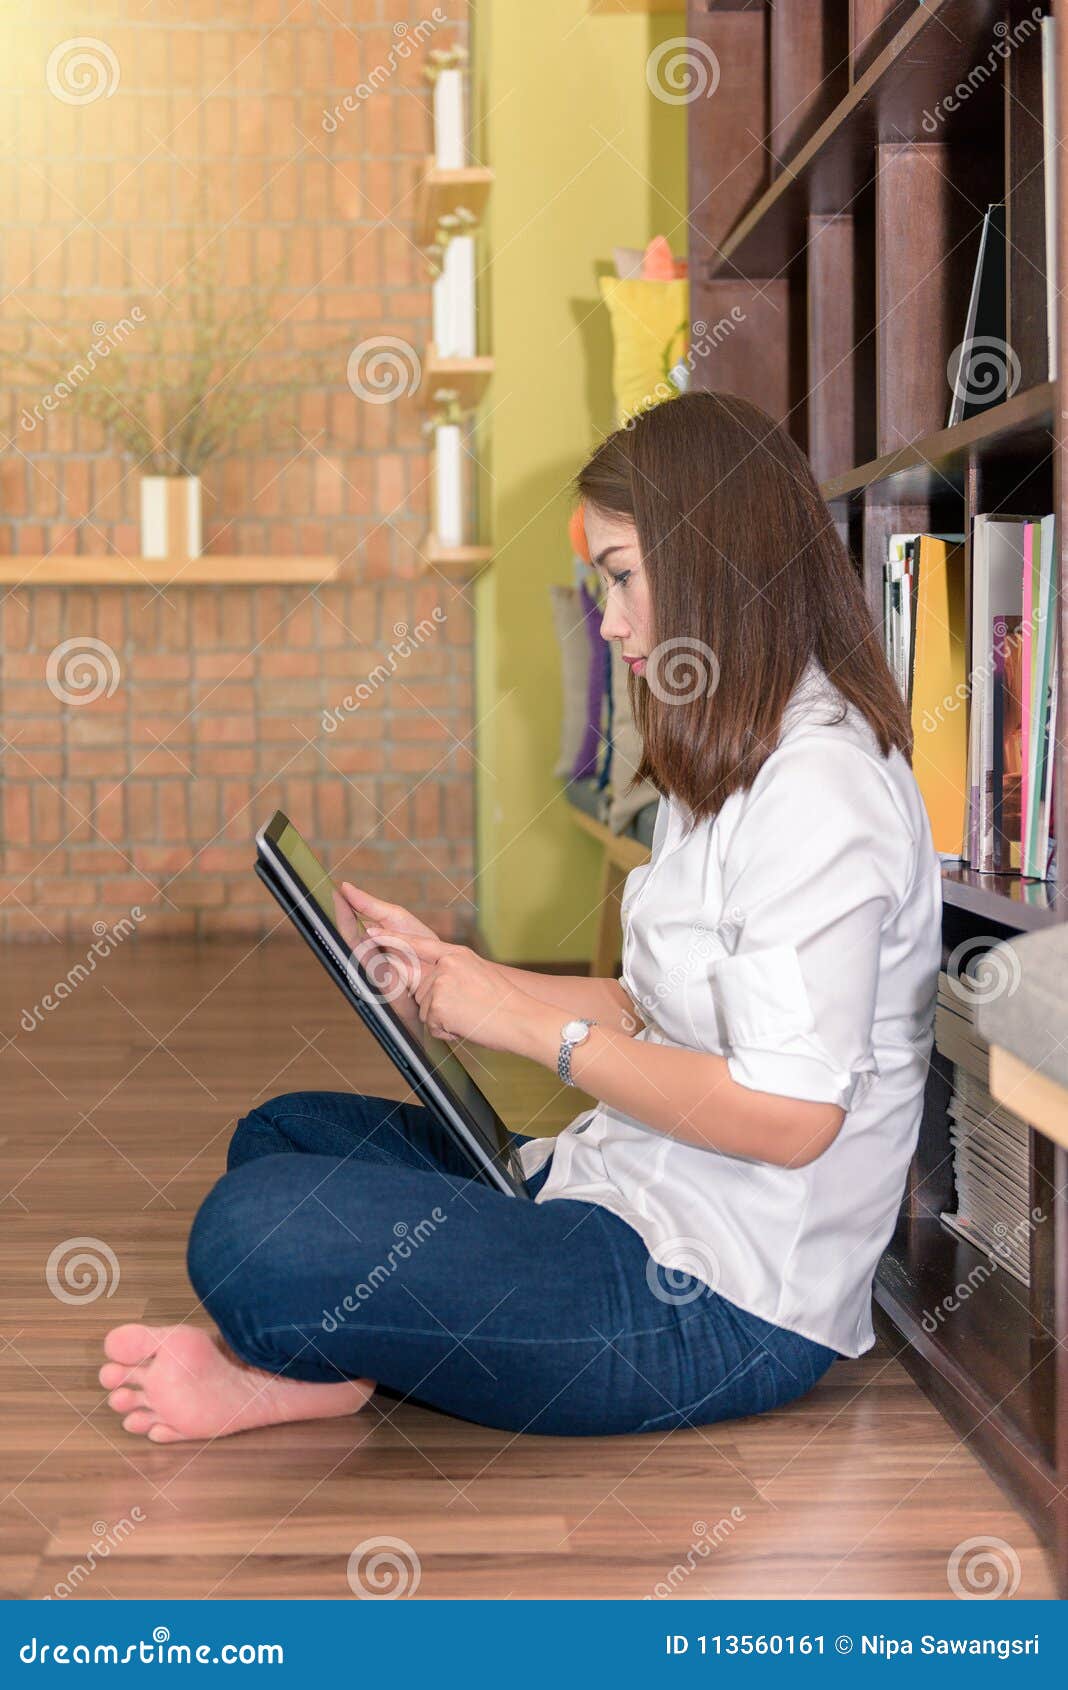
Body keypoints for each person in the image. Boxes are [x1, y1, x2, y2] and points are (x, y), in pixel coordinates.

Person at [99, 391, 941, 1444]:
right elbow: (662, 1005)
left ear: (715, 559)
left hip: (716, 1298)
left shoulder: (823, 786)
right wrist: (462, 980)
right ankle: (339, 1369)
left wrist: (536, 1027)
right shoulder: (730, 747)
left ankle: (310, 1368)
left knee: (253, 1231)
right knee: (283, 1137)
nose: (613, 620)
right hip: (622, 1188)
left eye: (624, 576)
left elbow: (788, 1114)